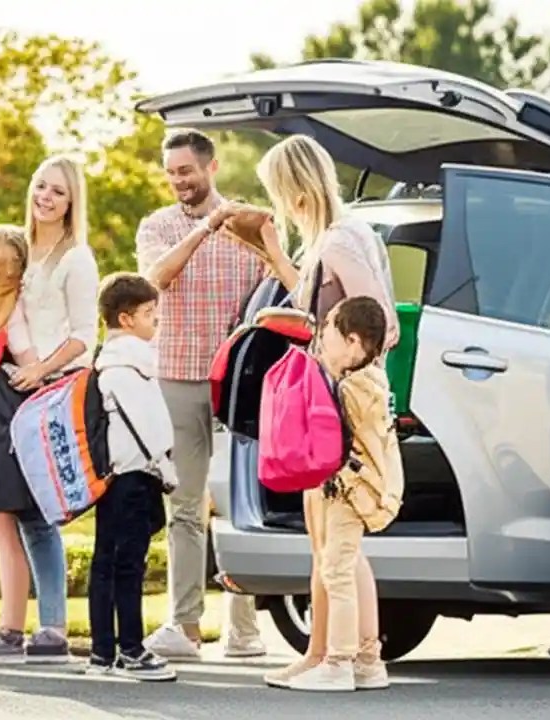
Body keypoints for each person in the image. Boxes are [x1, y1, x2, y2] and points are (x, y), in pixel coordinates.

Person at [231, 134, 399, 689]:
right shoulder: (336, 238)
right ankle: (347, 655)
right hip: (337, 404)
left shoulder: (342, 241)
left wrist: (337, 372)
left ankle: (337, 660)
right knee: (334, 542)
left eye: (278, 192)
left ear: (295, 189)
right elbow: (314, 307)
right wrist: (271, 252)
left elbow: (379, 323)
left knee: (335, 539)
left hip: (339, 410)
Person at [0, 155, 98, 664]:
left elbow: (84, 337)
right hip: (8, 387)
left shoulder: (76, 259)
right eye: (40, 186)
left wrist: (39, 369)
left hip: (49, 393)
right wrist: (23, 361)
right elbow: (1, 316)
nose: (45, 197)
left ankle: (43, 632)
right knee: (5, 511)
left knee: (34, 516)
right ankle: (22, 631)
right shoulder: (17, 250)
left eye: (57, 190)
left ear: (72, 200)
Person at [136, 129, 267, 660]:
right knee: (185, 507)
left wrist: (232, 226)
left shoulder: (250, 224)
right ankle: (186, 627)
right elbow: (155, 279)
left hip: (236, 384)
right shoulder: (157, 226)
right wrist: (204, 230)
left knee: (239, 505)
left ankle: (244, 631)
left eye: (186, 171)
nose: (178, 182)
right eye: (170, 173)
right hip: (176, 377)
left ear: (211, 169)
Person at [281, 297, 401, 692]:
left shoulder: (354, 388)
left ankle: (339, 662)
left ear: (352, 341)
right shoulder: (372, 380)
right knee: (342, 568)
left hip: (349, 491)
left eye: (329, 331)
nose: (323, 339)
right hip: (353, 488)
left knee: (336, 571)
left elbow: (334, 434)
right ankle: (367, 660)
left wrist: (328, 371)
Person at [85, 272, 179, 681]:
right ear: (125, 319)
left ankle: (102, 651)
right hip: (135, 478)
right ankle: (132, 649)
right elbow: (150, 433)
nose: (154, 320)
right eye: (148, 313)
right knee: (127, 566)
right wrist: (167, 471)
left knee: (106, 562)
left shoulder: (110, 367)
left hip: (113, 479)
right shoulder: (129, 370)